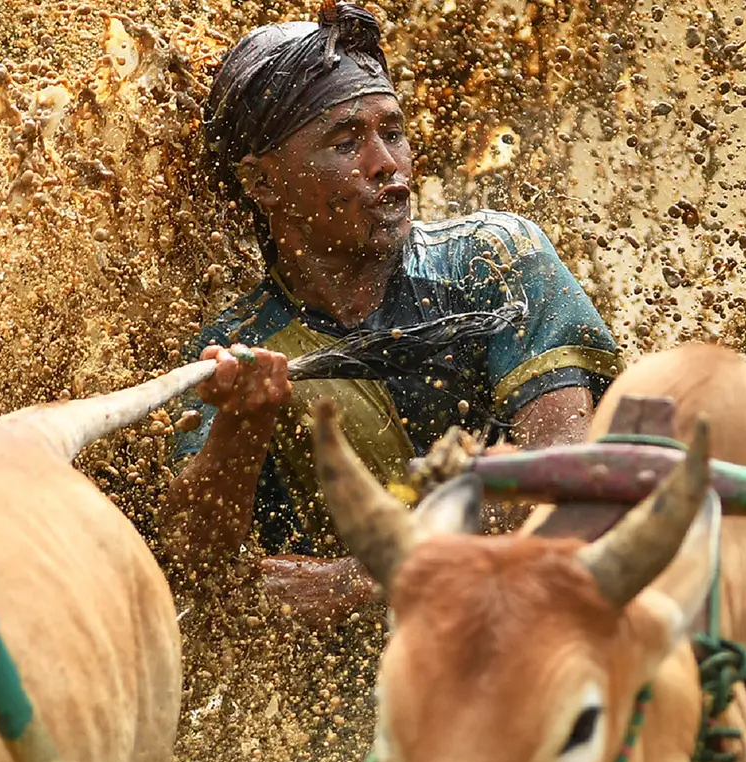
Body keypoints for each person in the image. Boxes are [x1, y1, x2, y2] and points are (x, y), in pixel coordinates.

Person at [164, 1, 621, 625]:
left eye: (393, 132)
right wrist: (242, 426)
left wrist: (369, 577)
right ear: (261, 183)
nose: (387, 165)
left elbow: (564, 471)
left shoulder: (497, 259)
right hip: (365, 699)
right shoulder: (230, 352)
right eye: (345, 140)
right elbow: (199, 569)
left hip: (537, 635)